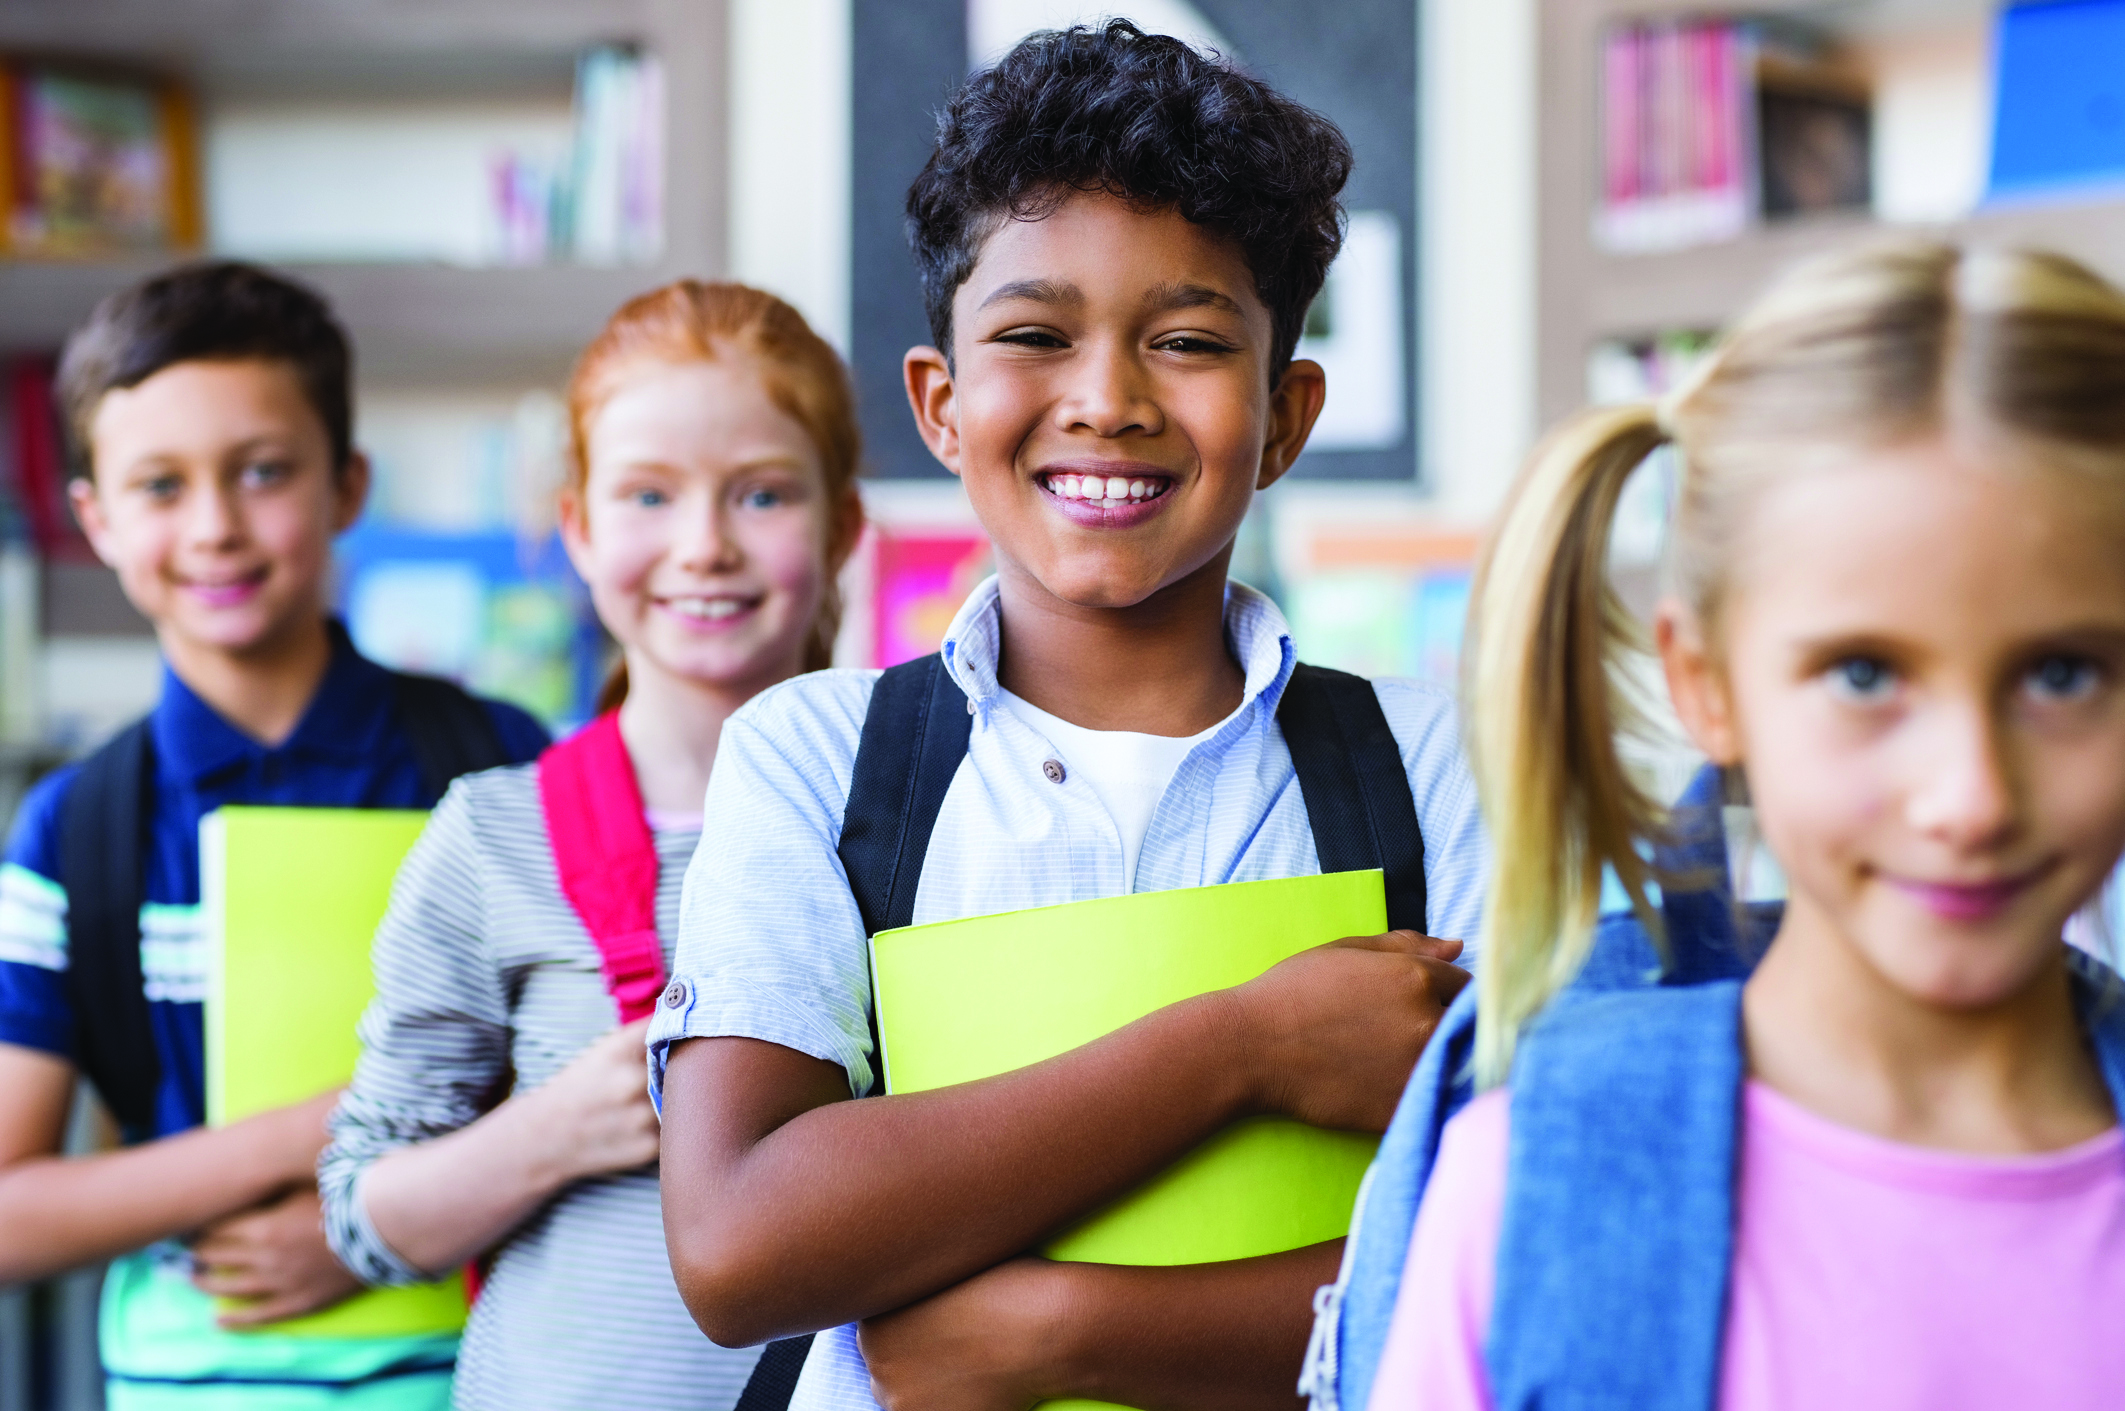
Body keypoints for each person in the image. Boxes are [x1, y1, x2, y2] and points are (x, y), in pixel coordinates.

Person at [651, 24, 1489, 1411]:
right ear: (940, 403)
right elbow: (743, 1242)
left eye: (1188, 340)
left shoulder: (1432, 759)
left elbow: (1506, 1241)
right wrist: (1249, 1042)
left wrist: (1060, 1329)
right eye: (1035, 336)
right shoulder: (818, 753)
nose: (1106, 400)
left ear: (1283, 418)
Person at [1369, 239, 2125, 1411]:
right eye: (1865, 674)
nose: (1970, 798)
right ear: (1705, 682)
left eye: (2065, 674)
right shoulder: (1534, 1197)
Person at [0, 262, 549, 1408]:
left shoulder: (501, 763)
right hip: (183, 1379)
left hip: (485, 1370)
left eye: (263, 472)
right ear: (96, 517)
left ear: (347, 484)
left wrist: (366, 1226)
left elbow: (588, 1081)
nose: (214, 527)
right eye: (160, 485)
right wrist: (324, 1132)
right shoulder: (74, 829)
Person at [318, 281, 866, 1411]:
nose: (704, 546)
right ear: (576, 528)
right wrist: (553, 1131)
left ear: (842, 525)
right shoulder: (490, 837)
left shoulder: (934, 814)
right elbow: (367, 1214)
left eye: (761, 494)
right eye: (649, 496)